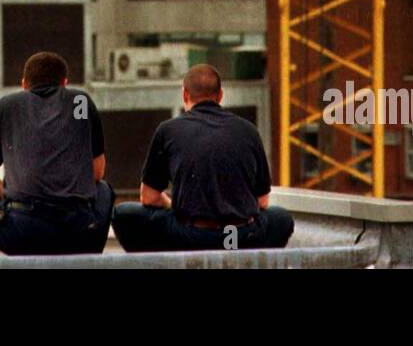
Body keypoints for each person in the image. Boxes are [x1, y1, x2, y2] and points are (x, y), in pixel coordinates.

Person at [0, 51, 113, 256]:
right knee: (104, 189)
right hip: (80, 233)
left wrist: (16, 192)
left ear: (24, 84)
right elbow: (97, 173)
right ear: (64, 83)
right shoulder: (81, 101)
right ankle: (87, 261)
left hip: (21, 233)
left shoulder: (7, 106)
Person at [113, 64, 294, 253]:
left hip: (189, 236)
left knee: (122, 214)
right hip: (240, 236)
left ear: (185, 95)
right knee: (281, 218)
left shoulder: (168, 130)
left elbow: (149, 198)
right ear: (220, 95)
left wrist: (172, 205)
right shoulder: (249, 130)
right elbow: (262, 202)